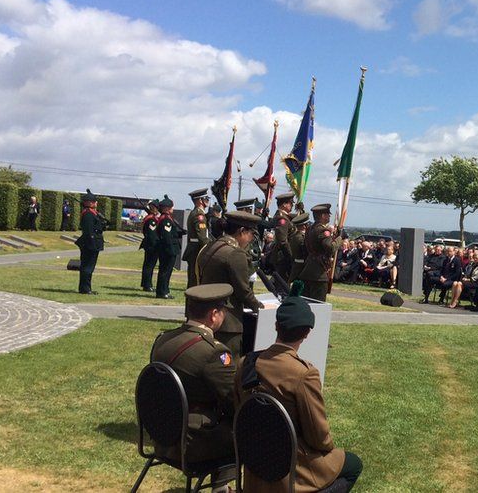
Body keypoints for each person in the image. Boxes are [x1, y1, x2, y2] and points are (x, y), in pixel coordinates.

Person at [235, 294, 363, 491]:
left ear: (276, 326)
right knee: (353, 463)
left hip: (254, 460)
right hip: (290, 468)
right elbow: (318, 437)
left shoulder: (246, 363)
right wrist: (329, 450)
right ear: (307, 333)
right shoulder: (303, 374)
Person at [149, 283, 238, 493]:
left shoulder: (163, 340)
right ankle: (222, 488)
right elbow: (234, 401)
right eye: (223, 311)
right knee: (250, 428)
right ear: (214, 315)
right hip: (192, 443)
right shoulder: (213, 353)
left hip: (161, 435)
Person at [196, 211, 266, 357]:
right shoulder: (235, 254)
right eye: (251, 234)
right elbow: (243, 291)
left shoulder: (212, 246)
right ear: (242, 231)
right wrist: (261, 308)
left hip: (205, 314)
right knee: (228, 365)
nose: (251, 239)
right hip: (228, 321)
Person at [299, 204, 341, 302]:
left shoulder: (310, 228)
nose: (329, 216)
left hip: (308, 269)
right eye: (328, 214)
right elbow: (330, 248)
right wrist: (339, 238)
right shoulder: (322, 230)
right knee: (318, 304)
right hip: (318, 273)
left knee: (306, 301)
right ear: (322, 216)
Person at [75, 189, 106, 294]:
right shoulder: (88, 214)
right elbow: (89, 231)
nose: (96, 203)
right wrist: (92, 244)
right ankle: (85, 289)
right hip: (90, 243)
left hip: (92, 243)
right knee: (87, 267)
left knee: (89, 267)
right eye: (95, 201)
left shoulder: (92, 213)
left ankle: (86, 288)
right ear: (90, 202)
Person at [155, 195, 186, 300]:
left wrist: (180, 233)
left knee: (165, 271)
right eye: (172, 207)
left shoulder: (167, 218)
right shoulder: (166, 220)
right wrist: (171, 250)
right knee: (165, 271)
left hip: (168, 248)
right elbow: (167, 237)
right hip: (168, 249)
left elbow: (171, 233)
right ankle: (162, 292)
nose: (173, 209)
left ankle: (164, 290)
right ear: (167, 208)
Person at [183, 188, 211, 288]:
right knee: (196, 280)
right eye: (206, 198)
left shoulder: (197, 213)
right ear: (200, 200)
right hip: (197, 250)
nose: (208, 200)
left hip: (195, 249)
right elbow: (203, 238)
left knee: (194, 279)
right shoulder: (199, 215)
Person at [234, 199, 262, 280]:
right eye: (250, 209)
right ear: (245, 210)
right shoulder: (241, 227)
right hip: (244, 262)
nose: (252, 212)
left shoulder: (250, 225)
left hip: (250, 261)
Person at [270, 192, 296, 281]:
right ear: (284, 204)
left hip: (283, 256)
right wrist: (291, 256)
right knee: (282, 286)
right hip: (283, 257)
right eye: (290, 203)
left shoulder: (285, 217)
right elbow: (282, 241)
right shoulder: (282, 219)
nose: (292, 205)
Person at [140, 198, 160, 293]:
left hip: (150, 244)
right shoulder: (151, 219)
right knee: (149, 266)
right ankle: (147, 285)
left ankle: (146, 283)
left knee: (149, 265)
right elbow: (152, 234)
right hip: (151, 245)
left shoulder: (151, 217)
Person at [288, 212, 311, 283]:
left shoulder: (294, 236)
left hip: (296, 264)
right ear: (304, 226)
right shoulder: (301, 238)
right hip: (301, 265)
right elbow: (306, 252)